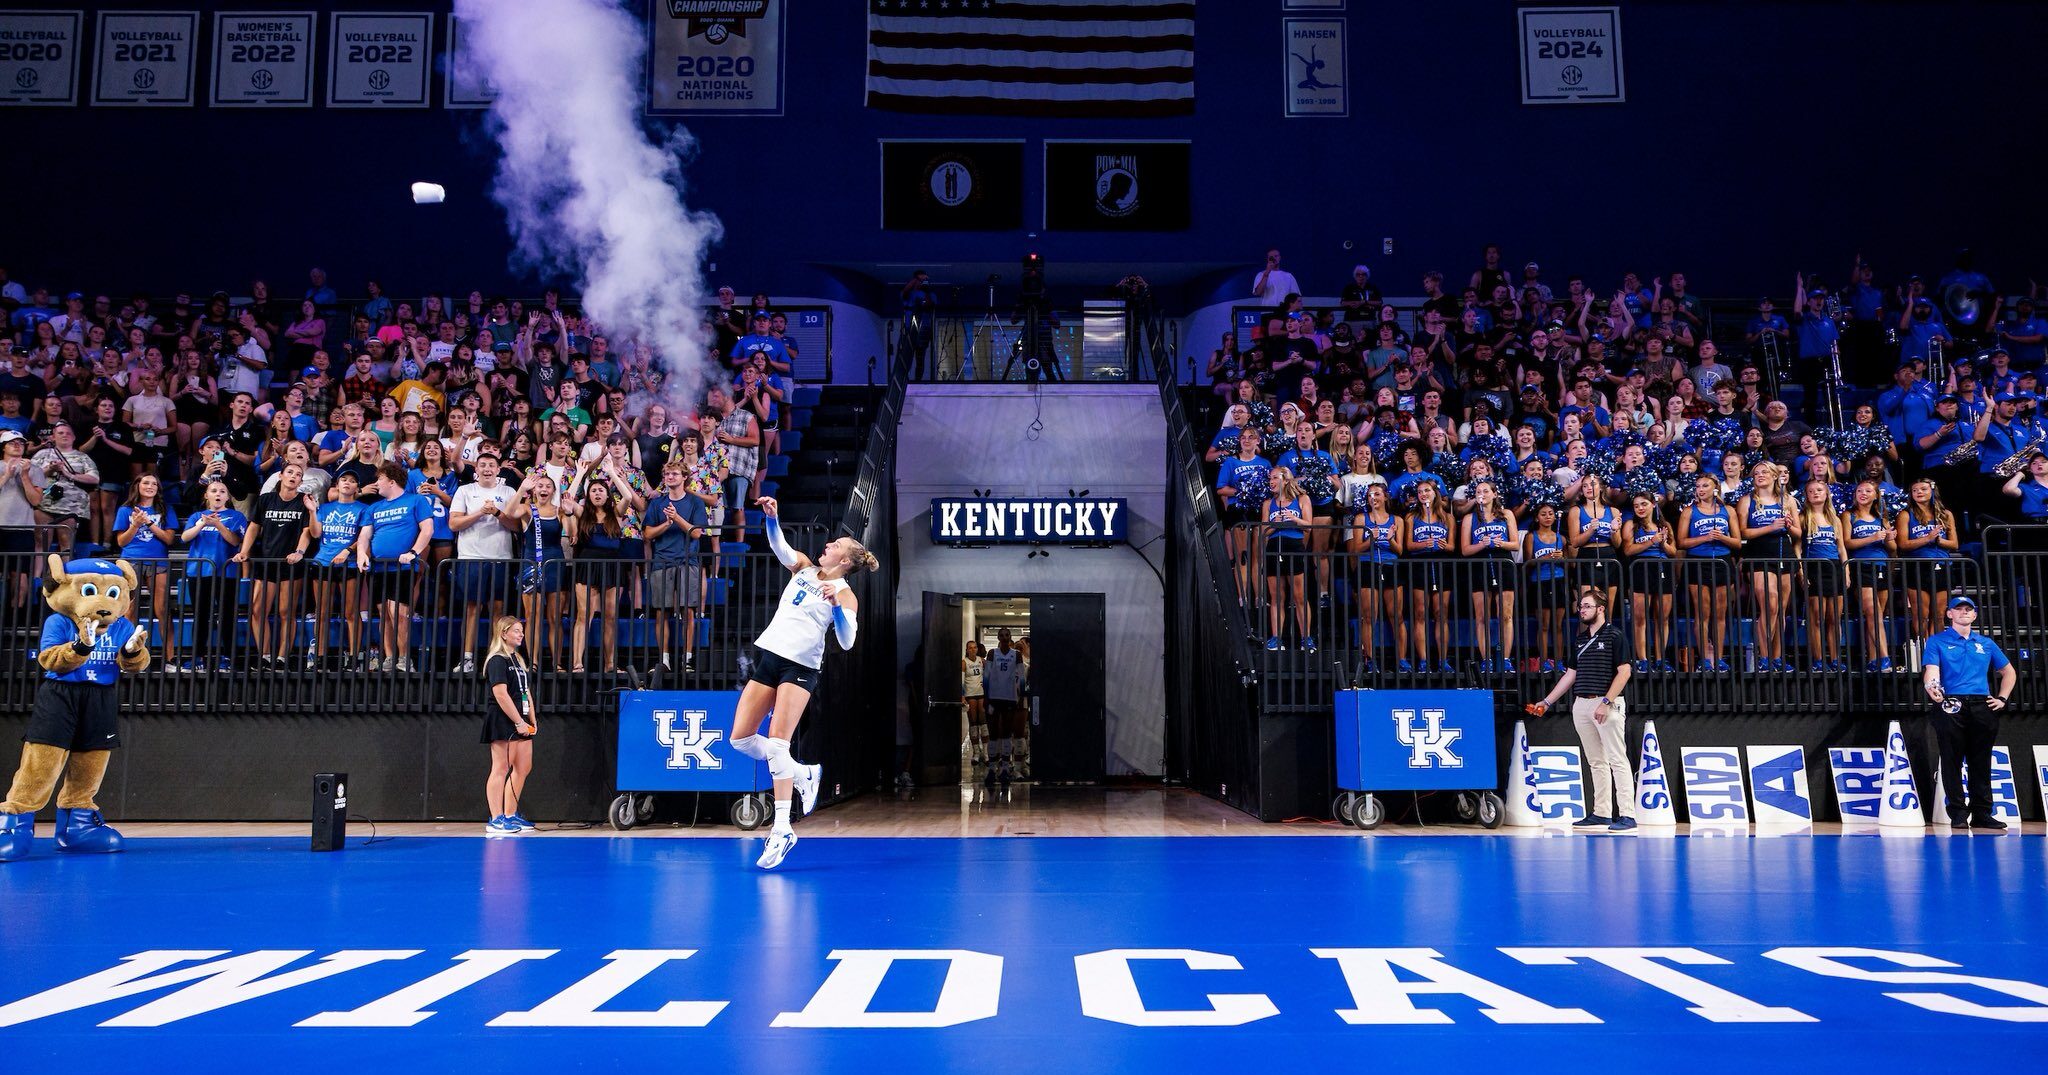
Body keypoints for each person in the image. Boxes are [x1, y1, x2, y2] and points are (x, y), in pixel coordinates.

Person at [728, 496, 878, 869]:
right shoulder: (805, 570)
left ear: (844, 560)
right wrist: (773, 519)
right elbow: (779, 546)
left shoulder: (845, 594)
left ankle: (781, 829)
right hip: (770, 657)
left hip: (800, 669)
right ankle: (803, 773)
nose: (827, 545)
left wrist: (839, 608)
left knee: (778, 744)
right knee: (741, 739)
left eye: (836, 546)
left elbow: (847, 641)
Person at [1530, 591, 1636, 831]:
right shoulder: (1579, 640)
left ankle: (1628, 814)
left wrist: (1606, 702)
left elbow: (1624, 672)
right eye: (1580, 607)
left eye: (1587, 606)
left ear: (1601, 609)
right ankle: (1601, 812)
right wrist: (1546, 702)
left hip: (1606, 703)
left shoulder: (1615, 635)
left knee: (1617, 759)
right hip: (1582, 703)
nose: (1582, 610)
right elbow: (1571, 674)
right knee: (1596, 761)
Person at [1921, 597, 2015, 830]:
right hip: (1951, 702)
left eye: (1968, 610)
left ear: (1974, 616)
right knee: (1951, 759)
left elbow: (2008, 672)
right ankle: (1958, 814)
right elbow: (1931, 670)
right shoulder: (1937, 641)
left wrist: (2002, 698)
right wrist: (1932, 686)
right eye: (1958, 609)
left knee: (1981, 760)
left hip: (1982, 704)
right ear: (1949, 614)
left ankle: (1982, 813)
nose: (1964, 612)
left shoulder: (1985, 643)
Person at [234, 462, 316, 670]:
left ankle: (281, 658)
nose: (293, 476)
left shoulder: (303, 501)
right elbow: (254, 527)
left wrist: (299, 552)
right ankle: (265, 655)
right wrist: (244, 551)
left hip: (290, 565)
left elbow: (307, 532)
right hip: (266, 562)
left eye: (298, 474)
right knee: (257, 610)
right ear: (280, 476)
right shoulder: (265, 500)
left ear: (301, 481)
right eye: (290, 472)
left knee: (285, 612)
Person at [358, 462, 435, 673]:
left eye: (379, 479)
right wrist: (360, 554)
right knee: (384, 615)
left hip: (401, 567)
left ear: (392, 481)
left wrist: (413, 553)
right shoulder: (374, 507)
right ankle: (389, 657)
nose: (376, 484)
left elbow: (427, 529)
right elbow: (365, 534)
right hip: (378, 567)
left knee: (399, 613)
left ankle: (404, 658)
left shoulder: (416, 500)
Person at [449, 450, 520, 673]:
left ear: (499, 470)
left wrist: (498, 513)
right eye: (483, 465)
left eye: (492, 465)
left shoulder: (508, 491)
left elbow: (517, 527)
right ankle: (467, 658)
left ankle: (495, 658)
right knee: (472, 608)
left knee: (498, 611)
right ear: (476, 470)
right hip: (471, 558)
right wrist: (480, 512)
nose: (487, 469)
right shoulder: (465, 491)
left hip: (501, 558)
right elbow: (454, 524)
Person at [643, 460, 709, 673]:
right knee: (661, 612)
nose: (670, 477)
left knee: (688, 611)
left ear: (684, 477)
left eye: (674, 474)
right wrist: (667, 523)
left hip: (687, 561)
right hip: (662, 562)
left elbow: (697, 533)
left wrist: (676, 518)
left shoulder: (695, 502)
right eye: (667, 474)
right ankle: (664, 660)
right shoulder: (657, 503)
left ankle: (687, 658)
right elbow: (647, 534)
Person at [177, 480, 246, 673]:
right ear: (206, 495)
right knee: (201, 615)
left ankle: (228, 657)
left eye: (222, 491)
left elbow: (235, 541)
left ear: (227, 496)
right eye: (214, 490)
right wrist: (201, 525)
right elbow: (184, 538)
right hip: (198, 572)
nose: (218, 494)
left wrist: (218, 525)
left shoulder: (236, 516)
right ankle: (197, 656)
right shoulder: (196, 516)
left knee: (227, 616)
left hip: (227, 572)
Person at [1737, 461, 1799, 672]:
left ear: (1775, 476)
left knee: (1780, 610)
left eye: (1765, 472)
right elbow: (1742, 532)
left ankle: (1777, 657)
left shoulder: (1788, 500)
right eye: (1756, 473)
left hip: (1784, 553)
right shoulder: (1747, 501)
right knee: (1770, 603)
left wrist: (1789, 526)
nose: (1760, 475)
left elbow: (1800, 533)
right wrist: (1770, 527)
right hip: (1758, 554)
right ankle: (1763, 657)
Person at [114, 474, 180, 671]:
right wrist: (135, 524)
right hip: (131, 560)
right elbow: (121, 542)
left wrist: (149, 523)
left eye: (154, 484)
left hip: (158, 561)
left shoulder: (166, 509)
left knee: (163, 609)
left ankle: (170, 659)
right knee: (129, 611)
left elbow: (169, 540)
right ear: (137, 486)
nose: (150, 486)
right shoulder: (125, 510)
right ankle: (129, 658)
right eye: (146, 482)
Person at [480, 616, 538, 836]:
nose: (521, 634)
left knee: (523, 767)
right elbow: (500, 694)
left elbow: (525, 692)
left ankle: (510, 814)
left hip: (521, 719)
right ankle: (496, 819)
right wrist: (518, 721)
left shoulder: (518, 660)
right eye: (516, 631)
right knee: (501, 768)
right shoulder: (497, 660)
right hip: (503, 719)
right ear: (503, 633)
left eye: (522, 631)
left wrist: (531, 718)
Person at [310, 471, 371, 671]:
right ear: (337, 484)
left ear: (357, 488)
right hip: (323, 562)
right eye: (344, 480)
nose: (348, 483)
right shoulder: (325, 508)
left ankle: (354, 658)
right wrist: (312, 511)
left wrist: (347, 551)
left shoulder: (363, 509)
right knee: (322, 612)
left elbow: (364, 537)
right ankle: (319, 658)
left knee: (351, 612)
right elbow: (315, 533)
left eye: (353, 481)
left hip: (350, 564)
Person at [1679, 475, 1739, 672]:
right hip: (1697, 563)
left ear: (1715, 488)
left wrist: (1722, 537)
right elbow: (1682, 542)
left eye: (1705, 485)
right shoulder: (1689, 511)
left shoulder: (1727, 510)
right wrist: (1705, 538)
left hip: (1722, 562)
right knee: (1702, 613)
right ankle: (1705, 658)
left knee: (1720, 614)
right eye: (1697, 486)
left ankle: (1720, 658)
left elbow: (1738, 542)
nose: (1700, 489)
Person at [1460, 479, 1519, 673]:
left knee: (1506, 615)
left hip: (1503, 564)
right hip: (1480, 565)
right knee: (1482, 616)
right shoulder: (1470, 518)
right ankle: (1486, 659)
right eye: (1478, 491)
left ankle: (1505, 658)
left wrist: (1499, 543)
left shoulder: (1506, 514)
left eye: (1486, 491)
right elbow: (1465, 550)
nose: (1482, 494)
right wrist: (1482, 544)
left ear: (1494, 494)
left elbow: (1515, 544)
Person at [1347, 482, 1404, 673]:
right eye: (1370, 494)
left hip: (1390, 565)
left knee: (1396, 615)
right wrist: (1372, 537)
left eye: (1377, 494)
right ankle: (1369, 659)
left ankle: (1402, 660)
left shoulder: (1396, 520)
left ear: (1385, 497)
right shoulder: (1361, 518)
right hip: (1367, 565)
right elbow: (1356, 548)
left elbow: (1399, 550)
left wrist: (1389, 538)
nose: (1374, 497)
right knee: (1369, 615)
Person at [1895, 477, 1958, 642]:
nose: (1918, 493)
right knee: (1921, 613)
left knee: (1938, 614)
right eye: (1915, 490)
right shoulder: (1905, 514)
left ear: (1932, 491)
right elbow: (1902, 544)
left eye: (1922, 489)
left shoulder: (1945, 514)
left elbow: (1954, 544)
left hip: (1942, 565)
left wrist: (1938, 541)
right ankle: (1922, 648)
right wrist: (1927, 539)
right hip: (1917, 566)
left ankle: (1934, 650)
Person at [1261, 465, 1314, 653]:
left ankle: (1306, 638)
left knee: (1299, 596)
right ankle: (1276, 638)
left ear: (1285, 479)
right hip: (1274, 548)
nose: (1271, 482)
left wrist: (1294, 519)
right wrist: (1273, 525)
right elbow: (1263, 532)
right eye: (1270, 479)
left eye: (1274, 478)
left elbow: (1309, 526)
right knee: (1276, 597)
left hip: (1294, 545)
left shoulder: (1302, 499)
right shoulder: (1268, 503)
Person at [1846, 478, 1897, 672]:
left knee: (1876, 616)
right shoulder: (1849, 515)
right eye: (1860, 490)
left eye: (1868, 491)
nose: (1863, 494)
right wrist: (1872, 538)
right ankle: (1885, 658)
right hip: (1862, 566)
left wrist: (1890, 539)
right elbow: (1847, 543)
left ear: (1876, 496)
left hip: (1882, 566)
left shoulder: (1882, 518)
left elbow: (1892, 548)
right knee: (1872, 612)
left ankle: (1873, 659)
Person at [1799, 478, 1849, 672]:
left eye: (1819, 490)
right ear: (1807, 496)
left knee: (1834, 618)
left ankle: (1836, 659)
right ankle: (1818, 659)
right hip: (1814, 567)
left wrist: (1846, 570)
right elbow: (1797, 547)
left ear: (1826, 493)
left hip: (1834, 567)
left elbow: (1841, 547)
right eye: (1811, 491)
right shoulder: (1803, 517)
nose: (1816, 493)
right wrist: (1801, 572)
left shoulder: (1834, 519)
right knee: (1817, 618)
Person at [961, 639, 988, 770]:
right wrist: (962, 695)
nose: (972, 649)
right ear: (967, 650)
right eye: (970, 648)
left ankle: (986, 753)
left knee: (983, 722)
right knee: (973, 723)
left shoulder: (982, 661)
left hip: (981, 693)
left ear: (977, 649)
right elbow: (960, 680)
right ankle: (976, 752)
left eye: (974, 647)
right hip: (970, 694)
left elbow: (988, 676)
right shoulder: (964, 662)